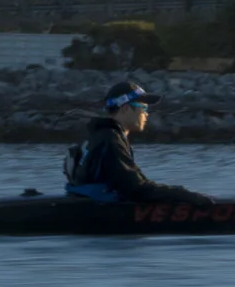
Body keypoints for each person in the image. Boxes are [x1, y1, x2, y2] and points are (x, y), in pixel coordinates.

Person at [65, 80, 217, 207]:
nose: (146, 113)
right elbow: (136, 189)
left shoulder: (99, 134)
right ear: (124, 108)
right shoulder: (110, 139)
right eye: (142, 107)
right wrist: (183, 195)